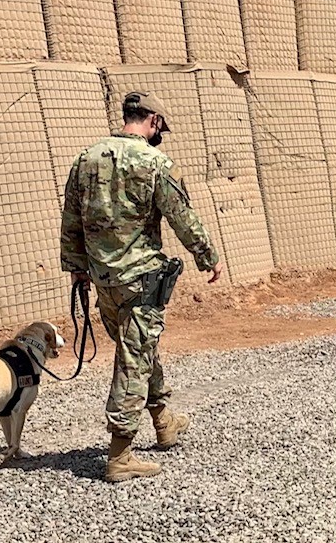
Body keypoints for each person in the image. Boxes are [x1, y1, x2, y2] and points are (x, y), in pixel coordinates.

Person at [61, 91, 224, 483]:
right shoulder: (155, 163)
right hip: (141, 279)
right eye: (158, 129)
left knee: (139, 348)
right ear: (152, 122)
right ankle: (120, 455)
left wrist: (76, 268)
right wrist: (208, 256)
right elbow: (181, 216)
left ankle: (164, 420)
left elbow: (71, 219)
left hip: (104, 281)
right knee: (133, 360)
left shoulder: (86, 159)